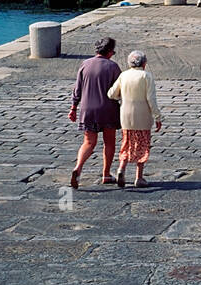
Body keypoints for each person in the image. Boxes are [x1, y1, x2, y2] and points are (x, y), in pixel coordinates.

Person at [67, 36, 123, 188]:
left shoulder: (85, 64)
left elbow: (77, 89)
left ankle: (78, 168)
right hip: (108, 109)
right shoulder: (113, 67)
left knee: (89, 142)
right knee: (109, 142)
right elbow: (120, 90)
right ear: (110, 51)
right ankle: (106, 174)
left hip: (87, 109)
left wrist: (73, 108)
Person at [107, 50, 163, 188]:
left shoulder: (123, 75)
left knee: (127, 143)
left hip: (126, 116)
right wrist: (158, 116)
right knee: (142, 145)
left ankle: (121, 169)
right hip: (143, 116)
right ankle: (139, 177)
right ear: (144, 63)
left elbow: (111, 94)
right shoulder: (146, 76)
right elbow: (151, 99)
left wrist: (122, 97)